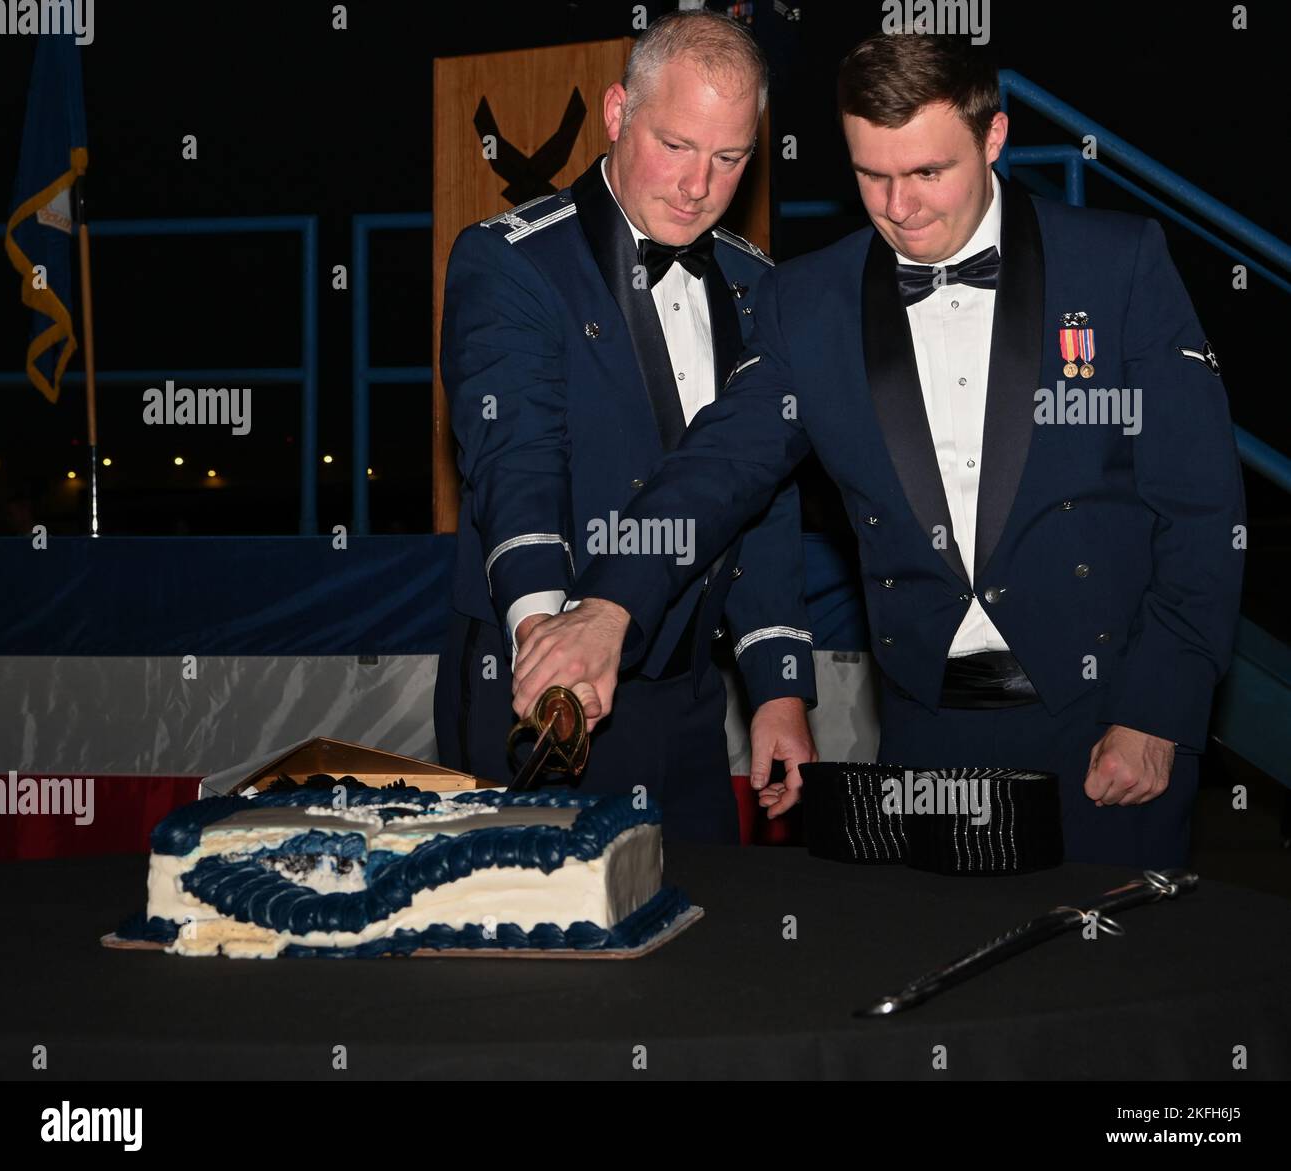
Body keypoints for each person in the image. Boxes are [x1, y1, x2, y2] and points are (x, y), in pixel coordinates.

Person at [511, 31, 1246, 868]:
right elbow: (719, 466)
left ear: (993, 138)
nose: (900, 206)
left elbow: (1201, 510)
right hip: (926, 737)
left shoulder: (1118, 266)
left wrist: (1160, 708)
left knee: (1121, 981)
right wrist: (610, 608)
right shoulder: (808, 301)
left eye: (929, 172)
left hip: (1109, 718)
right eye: (872, 175)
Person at [435, 10, 818, 844]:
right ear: (616, 114)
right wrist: (550, 645)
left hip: (689, 697)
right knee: (528, 953)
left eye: (729, 158)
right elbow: (516, 462)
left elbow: (761, 496)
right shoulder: (512, 260)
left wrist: (778, 685)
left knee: (702, 953)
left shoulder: (761, 283)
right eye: (675, 146)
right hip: (542, 679)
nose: (697, 186)